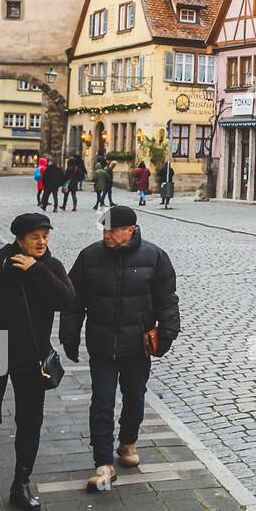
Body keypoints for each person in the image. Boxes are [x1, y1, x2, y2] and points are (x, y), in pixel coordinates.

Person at [0, 212, 75, 511]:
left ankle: (21, 484)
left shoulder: (51, 266)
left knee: (30, 420)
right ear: (19, 239)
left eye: (45, 235)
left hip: (32, 357)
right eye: (34, 236)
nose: (41, 241)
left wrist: (37, 270)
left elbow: (67, 300)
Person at [62, 206, 179, 492]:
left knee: (134, 398)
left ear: (131, 230)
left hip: (137, 345)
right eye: (104, 230)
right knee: (102, 401)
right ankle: (103, 462)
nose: (107, 235)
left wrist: (166, 334)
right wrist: (70, 334)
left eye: (112, 230)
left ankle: (127, 442)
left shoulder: (154, 257)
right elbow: (73, 300)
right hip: (102, 343)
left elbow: (167, 300)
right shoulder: (90, 257)